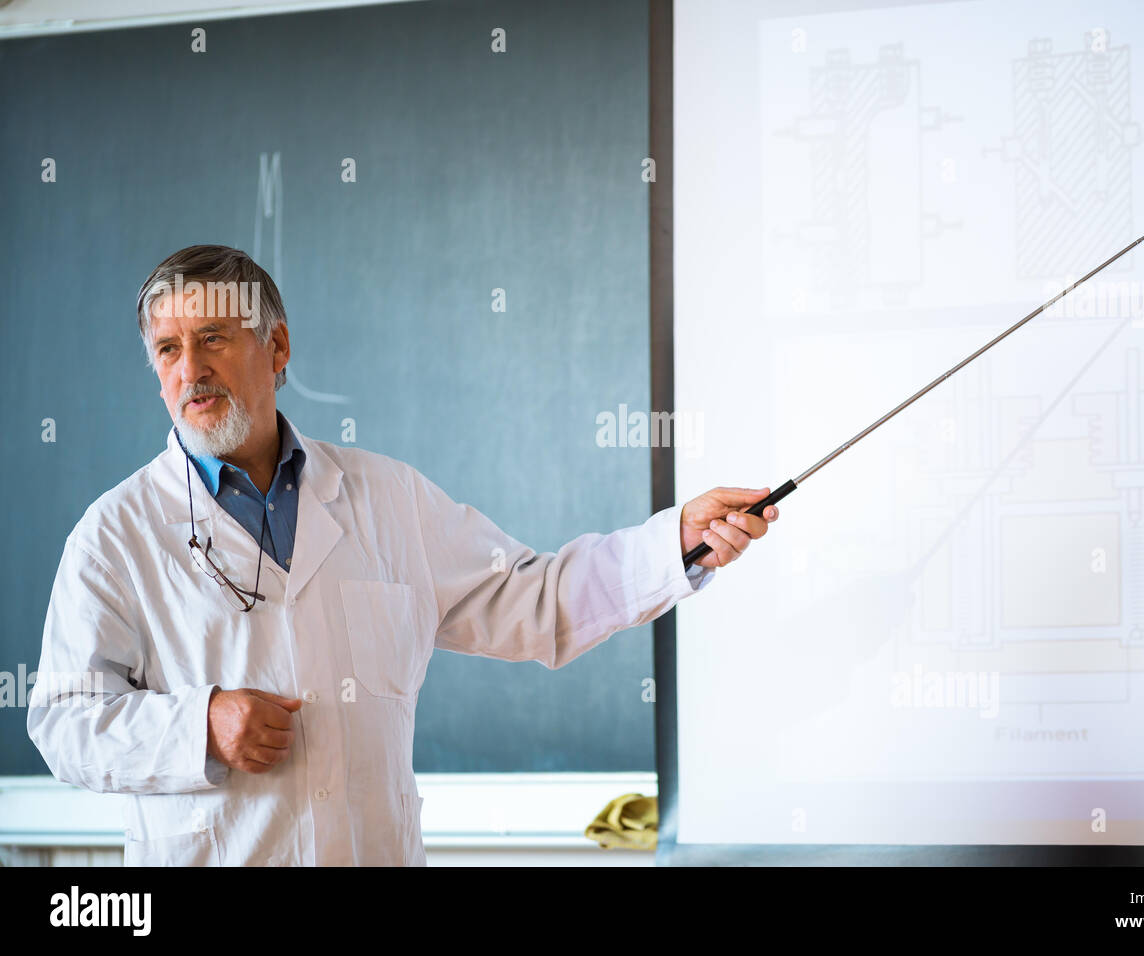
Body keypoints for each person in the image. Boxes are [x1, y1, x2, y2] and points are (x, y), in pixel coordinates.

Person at [26, 244, 779, 866]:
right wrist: (200, 728)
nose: (190, 368)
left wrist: (674, 542)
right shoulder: (115, 534)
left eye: (214, 338)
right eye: (168, 348)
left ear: (277, 347)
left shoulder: (388, 498)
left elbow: (536, 599)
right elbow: (63, 721)